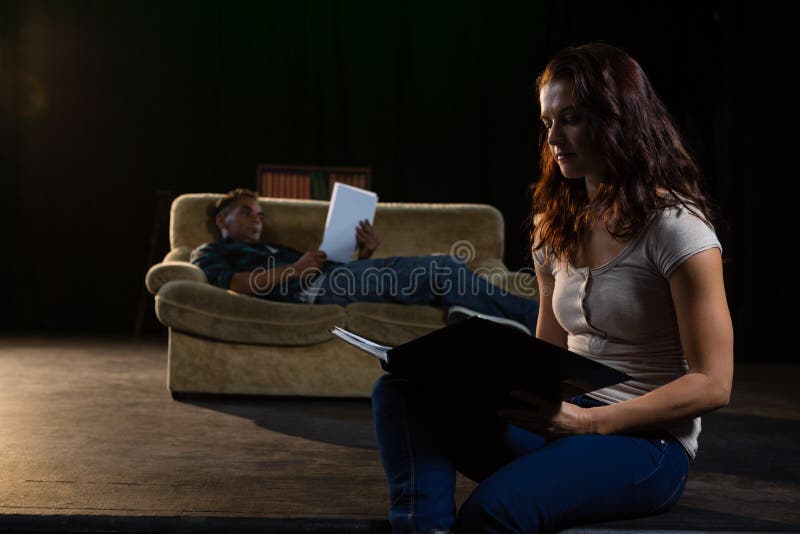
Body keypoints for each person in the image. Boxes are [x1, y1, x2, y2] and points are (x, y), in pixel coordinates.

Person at [370, 42, 734, 533]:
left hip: (648, 445)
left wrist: (590, 423)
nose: (555, 138)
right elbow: (548, 355)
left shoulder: (677, 229)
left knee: (492, 512)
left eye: (572, 119)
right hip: (562, 419)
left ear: (618, 118)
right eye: (547, 123)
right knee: (401, 388)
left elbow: (714, 384)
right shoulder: (554, 225)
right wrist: (468, 375)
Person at [189, 188, 539, 334]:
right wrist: (296, 270)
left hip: (335, 277)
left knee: (444, 273)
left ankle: (476, 316)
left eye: (260, 215)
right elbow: (232, 285)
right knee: (444, 267)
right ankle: (538, 319)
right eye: (246, 213)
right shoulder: (211, 253)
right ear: (222, 220)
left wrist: (364, 253)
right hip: (318, 288)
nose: (257, 220)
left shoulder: (270, 248)